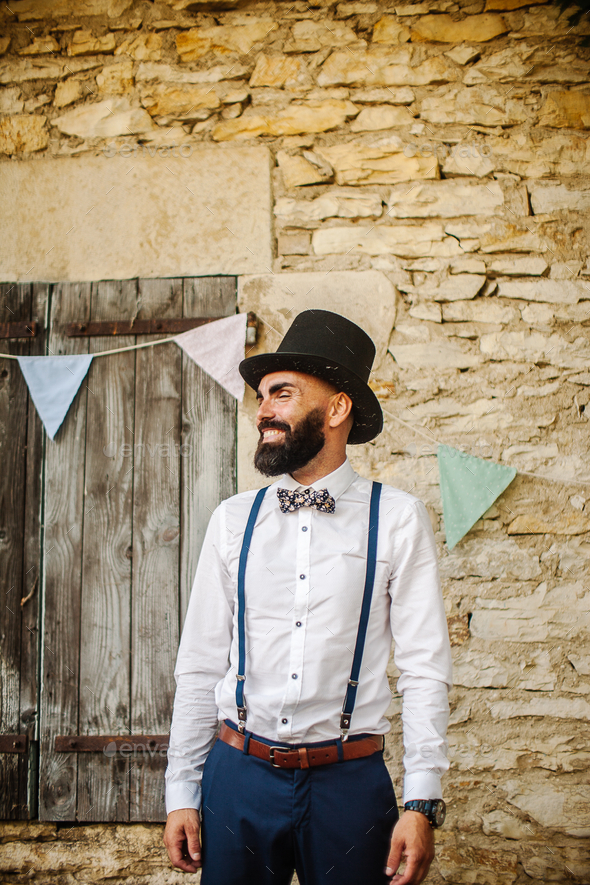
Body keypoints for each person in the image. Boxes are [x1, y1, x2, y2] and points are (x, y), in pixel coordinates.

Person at [163, 309, 453, 885]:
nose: (264, 411)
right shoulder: (231, 520)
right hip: (236, 774)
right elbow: (198, 665)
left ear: (338, 408)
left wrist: (421, 802)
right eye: (262, 396)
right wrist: (181, 790)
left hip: (350, 781)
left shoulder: (396, 519)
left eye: (283, 394)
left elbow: (424, 668)